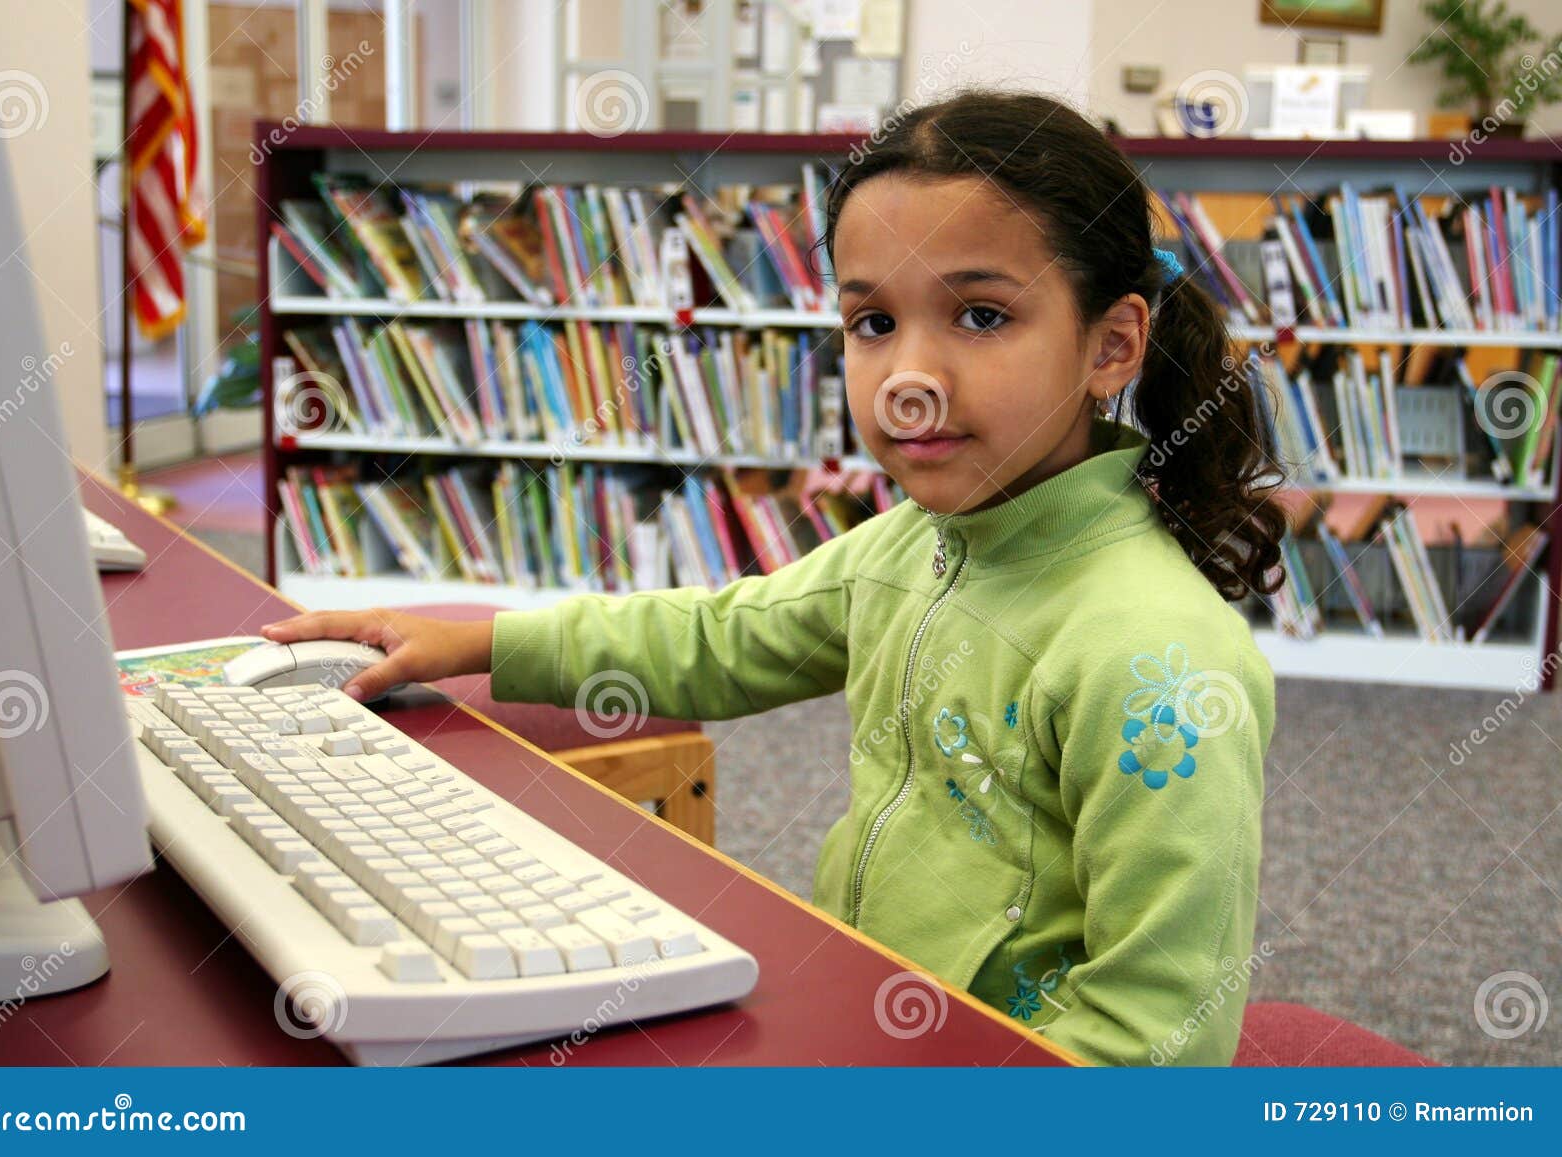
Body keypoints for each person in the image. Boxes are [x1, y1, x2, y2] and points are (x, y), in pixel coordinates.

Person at [262, 88, 1287, 1066]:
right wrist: (484, 639)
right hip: (863, 1017)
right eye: (872, 323)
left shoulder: (1160, 659)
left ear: (1111, 345)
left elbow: (1163, 1032)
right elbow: (719, 637)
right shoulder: (909, 546)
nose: (909, 380)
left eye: (980, 316)